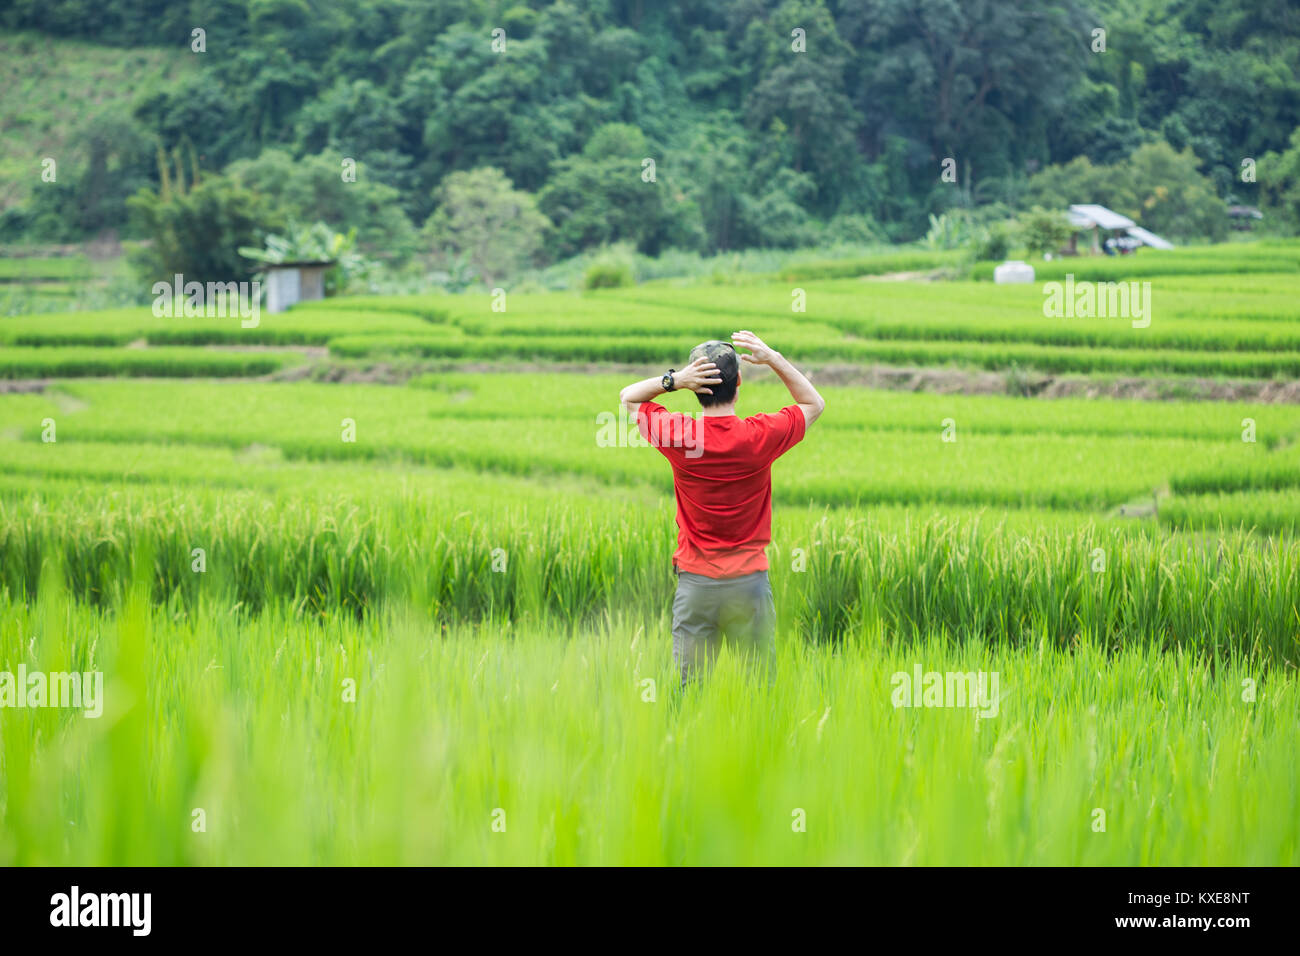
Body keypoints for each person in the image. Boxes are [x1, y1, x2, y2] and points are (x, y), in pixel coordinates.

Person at [618, 331, 825, 684]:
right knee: (759, 692)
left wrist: (674, 380)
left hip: (696, 584)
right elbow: (814, 404)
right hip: (749, 584)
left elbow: (628, 399)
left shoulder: (681, 436)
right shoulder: (759, 436)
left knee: (691, 693)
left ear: (696, 388)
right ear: (739, 381)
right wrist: (773, 357)